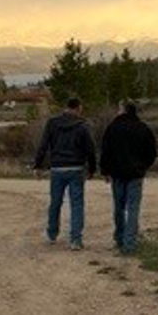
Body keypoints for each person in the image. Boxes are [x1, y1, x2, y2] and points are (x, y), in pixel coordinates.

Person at [33, 97, 97, 250]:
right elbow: (90, 149)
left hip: (57, 168)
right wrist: (92, 168)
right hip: (76, 168)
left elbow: (43, 145)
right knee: (76, 204)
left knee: (55, 202)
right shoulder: (82, 126)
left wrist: (38, 165)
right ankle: (75, 239)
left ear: (66, 107)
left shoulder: (52, 123)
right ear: (78, 108)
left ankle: (52, 234)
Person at [99, 100, 157, 254]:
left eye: (119, 109)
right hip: (135, 174)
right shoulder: (143, 128)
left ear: (123, 111)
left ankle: (119, 238)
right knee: (133, 208)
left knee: (118, 207)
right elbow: (151, 152)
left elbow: (105, 151)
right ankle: (129, 243)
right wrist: (143, 166)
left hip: (117, 174)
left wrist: (105, 171)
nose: (117, 112)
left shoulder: (112, 128)